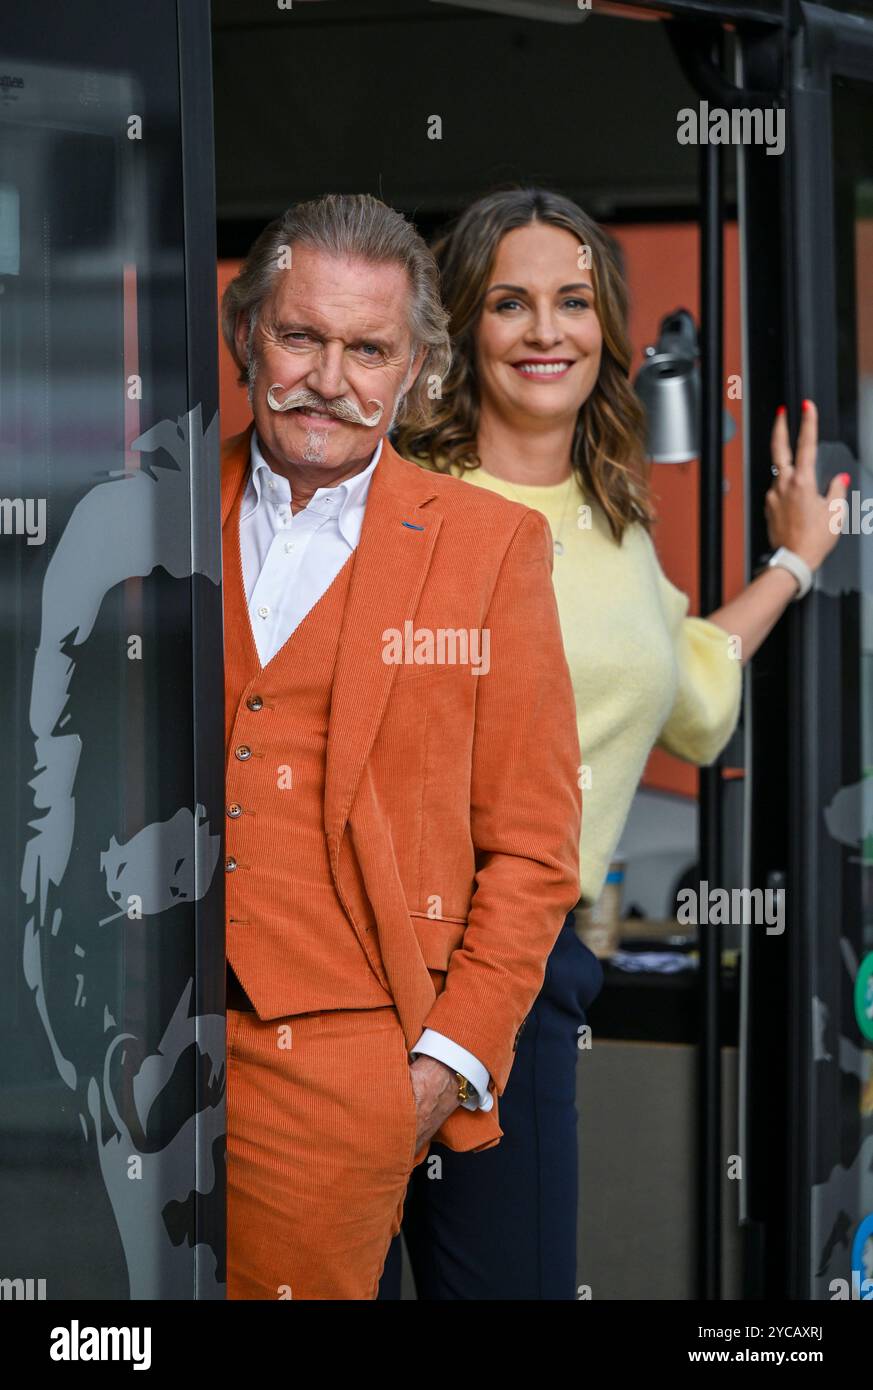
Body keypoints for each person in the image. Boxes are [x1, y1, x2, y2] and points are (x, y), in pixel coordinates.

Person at [379, 186, 848, 1301]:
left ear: (607, 328)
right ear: (462, 326)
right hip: (388, 964)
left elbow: (688, 685)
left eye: (574, 302)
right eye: (511, 303)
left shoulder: (613, 516)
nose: (548, 331)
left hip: (532, 974)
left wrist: (794, 563)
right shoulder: (404, 503)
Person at [218, 191, 582, 1299]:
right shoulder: (148, 502)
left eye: (368, 348)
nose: (330, 378)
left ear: (414, 367)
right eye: (301, 336)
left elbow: (534, 848)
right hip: (129, 1050)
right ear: (248, 337)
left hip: (342, 1061)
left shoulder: (487, 550)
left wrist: (442, 1066)